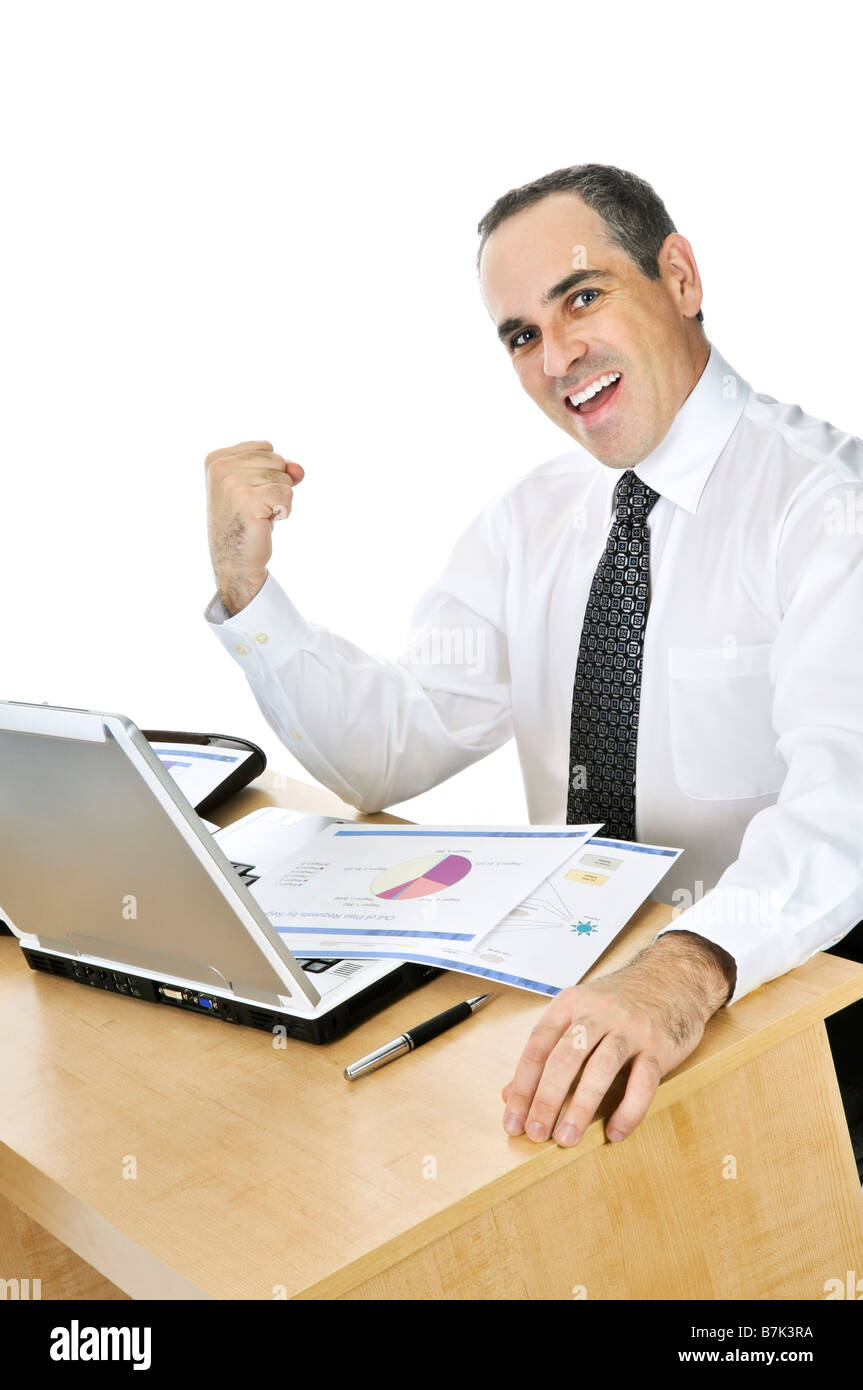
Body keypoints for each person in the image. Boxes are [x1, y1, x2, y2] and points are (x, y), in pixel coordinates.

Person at [203, 163, 863, 1151]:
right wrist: (250, 591)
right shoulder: (531, 521)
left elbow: (844, 804)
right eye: (520, 335)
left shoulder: (825, 506)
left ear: (677, 276)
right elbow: (392, 745)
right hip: (590, 1015)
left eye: (580, 297)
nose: (556, 356)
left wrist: (681, 968)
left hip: (784, 1016)